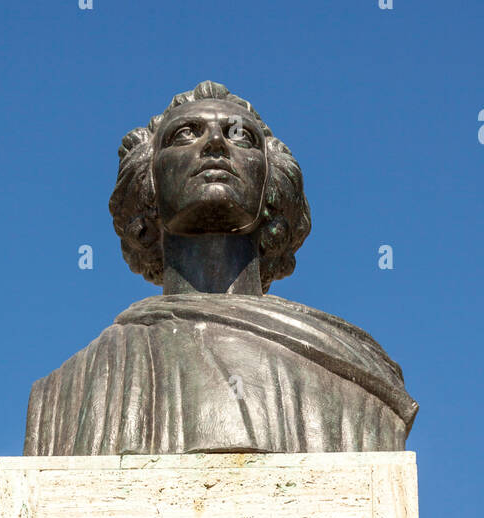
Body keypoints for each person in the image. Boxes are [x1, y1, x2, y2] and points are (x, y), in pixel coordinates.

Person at [24, 81, 417, 457]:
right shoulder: (73, 388)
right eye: (185, 135)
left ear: (273, 188)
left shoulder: (354, 374)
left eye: (240, 137)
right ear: (148, 189)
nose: (215, 144)